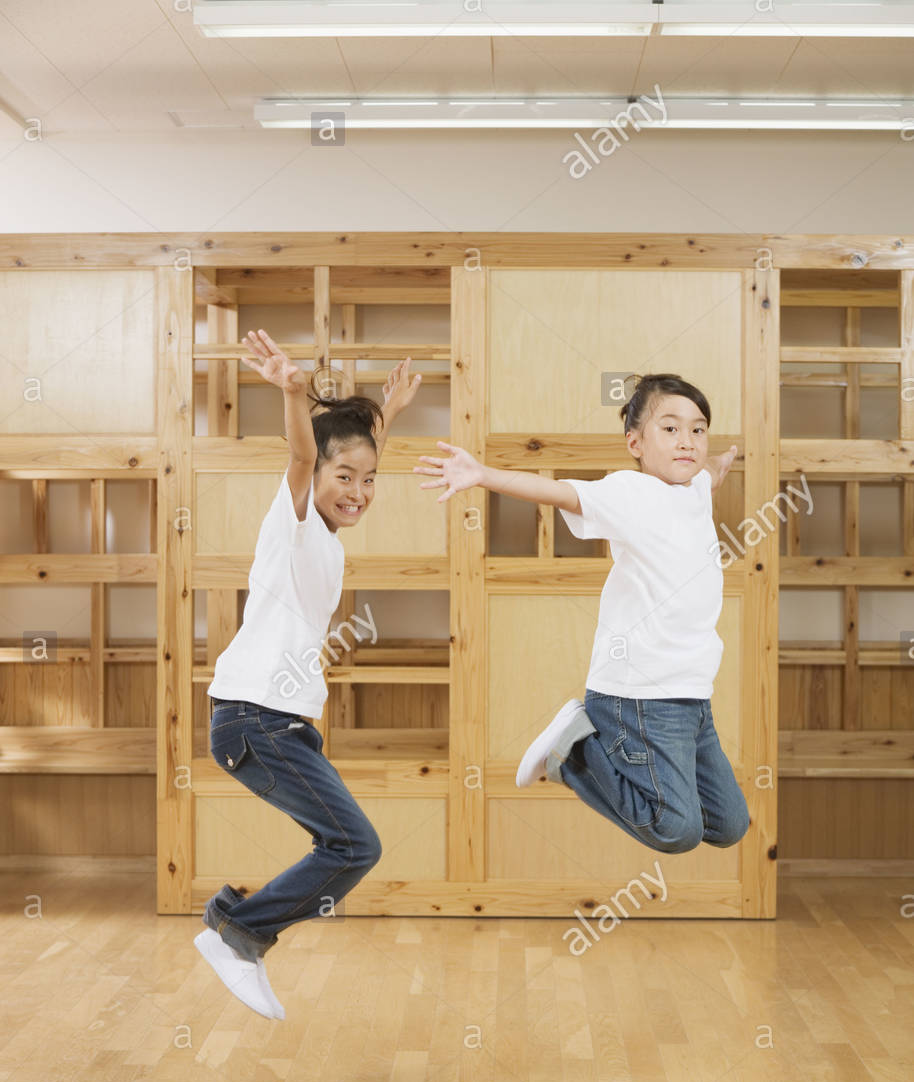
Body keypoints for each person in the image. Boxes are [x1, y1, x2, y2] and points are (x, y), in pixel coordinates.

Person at [415, 372, 750, 858]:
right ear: (635, 442)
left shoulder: (695, 486)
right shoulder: (630, 493)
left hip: (693, 695)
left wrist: (722, 461)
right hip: (641, 694)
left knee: (729, 824)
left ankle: (580, 749)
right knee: (677, 830)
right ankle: (575, 754)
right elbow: (561, 494)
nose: (688, 442)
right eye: (671, 429)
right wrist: (483, 474)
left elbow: (709, 473)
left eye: (698, 430)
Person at [195, 329, 421, 1019]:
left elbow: (344, 445)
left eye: (369, 479)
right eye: (343, 478)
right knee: (355, 845)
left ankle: (234, 917)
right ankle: (239, 933)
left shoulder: (324, 528)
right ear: (314, 479)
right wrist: (293, 392)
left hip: (276, 723)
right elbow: (303, 451)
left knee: (348, 845)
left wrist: (388, 412)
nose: (358, 490)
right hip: (255, 720)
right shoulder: (290, 521)